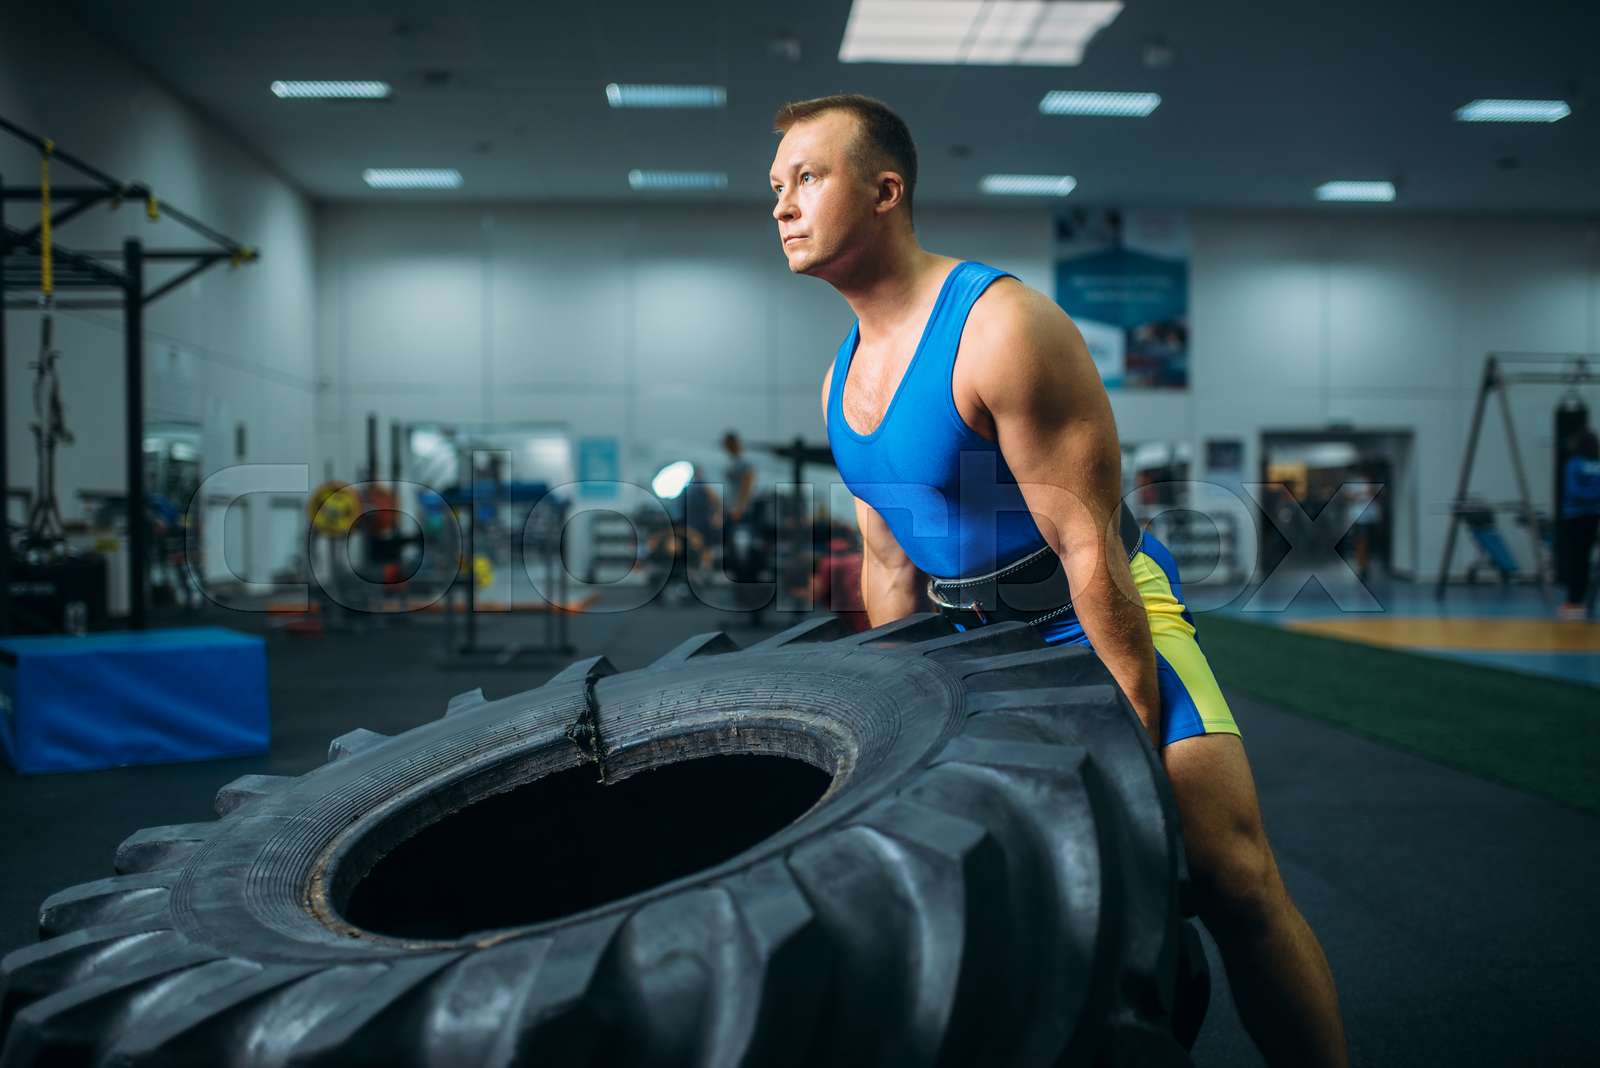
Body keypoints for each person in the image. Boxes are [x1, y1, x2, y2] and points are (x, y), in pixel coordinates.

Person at [770, 94, 1348, 1067]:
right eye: (775, 186)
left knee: (1233, 880)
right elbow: (887, 568)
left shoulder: (999, 327)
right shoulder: (837, 382)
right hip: (972, 658)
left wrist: (1127, 751)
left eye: (807, 178)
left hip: (1097, 617)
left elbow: (1089, 552)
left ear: (885, 190)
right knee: (1024, 910)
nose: (782, 205)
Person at [1559, 429, 1600, 620]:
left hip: (1576, 517)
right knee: (1586, 560)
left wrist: (1588, 498)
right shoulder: (1597, 464)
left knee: (1576, 560)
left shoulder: (1574, 464)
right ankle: (1584, 600)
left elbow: (1573, 490)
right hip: (1593, 516)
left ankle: (1575, 601)